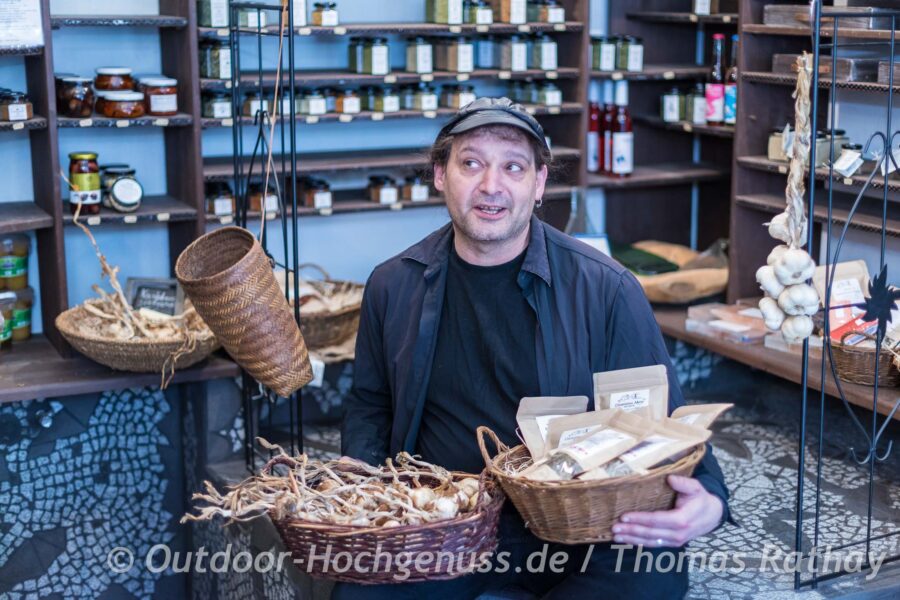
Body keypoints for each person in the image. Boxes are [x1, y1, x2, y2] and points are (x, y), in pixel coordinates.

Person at [335, 97, 731, 599]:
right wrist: (362, 488)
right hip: (446, 520)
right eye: (471, 163)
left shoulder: (605, 288)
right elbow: (370, 404)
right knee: (358, 588)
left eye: (514, 167)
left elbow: (663, 416)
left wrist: (711, 497)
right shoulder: (393, 284)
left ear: (539, 183)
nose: (491, 185)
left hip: (575, 519)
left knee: (651, 571)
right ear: (440, 175)